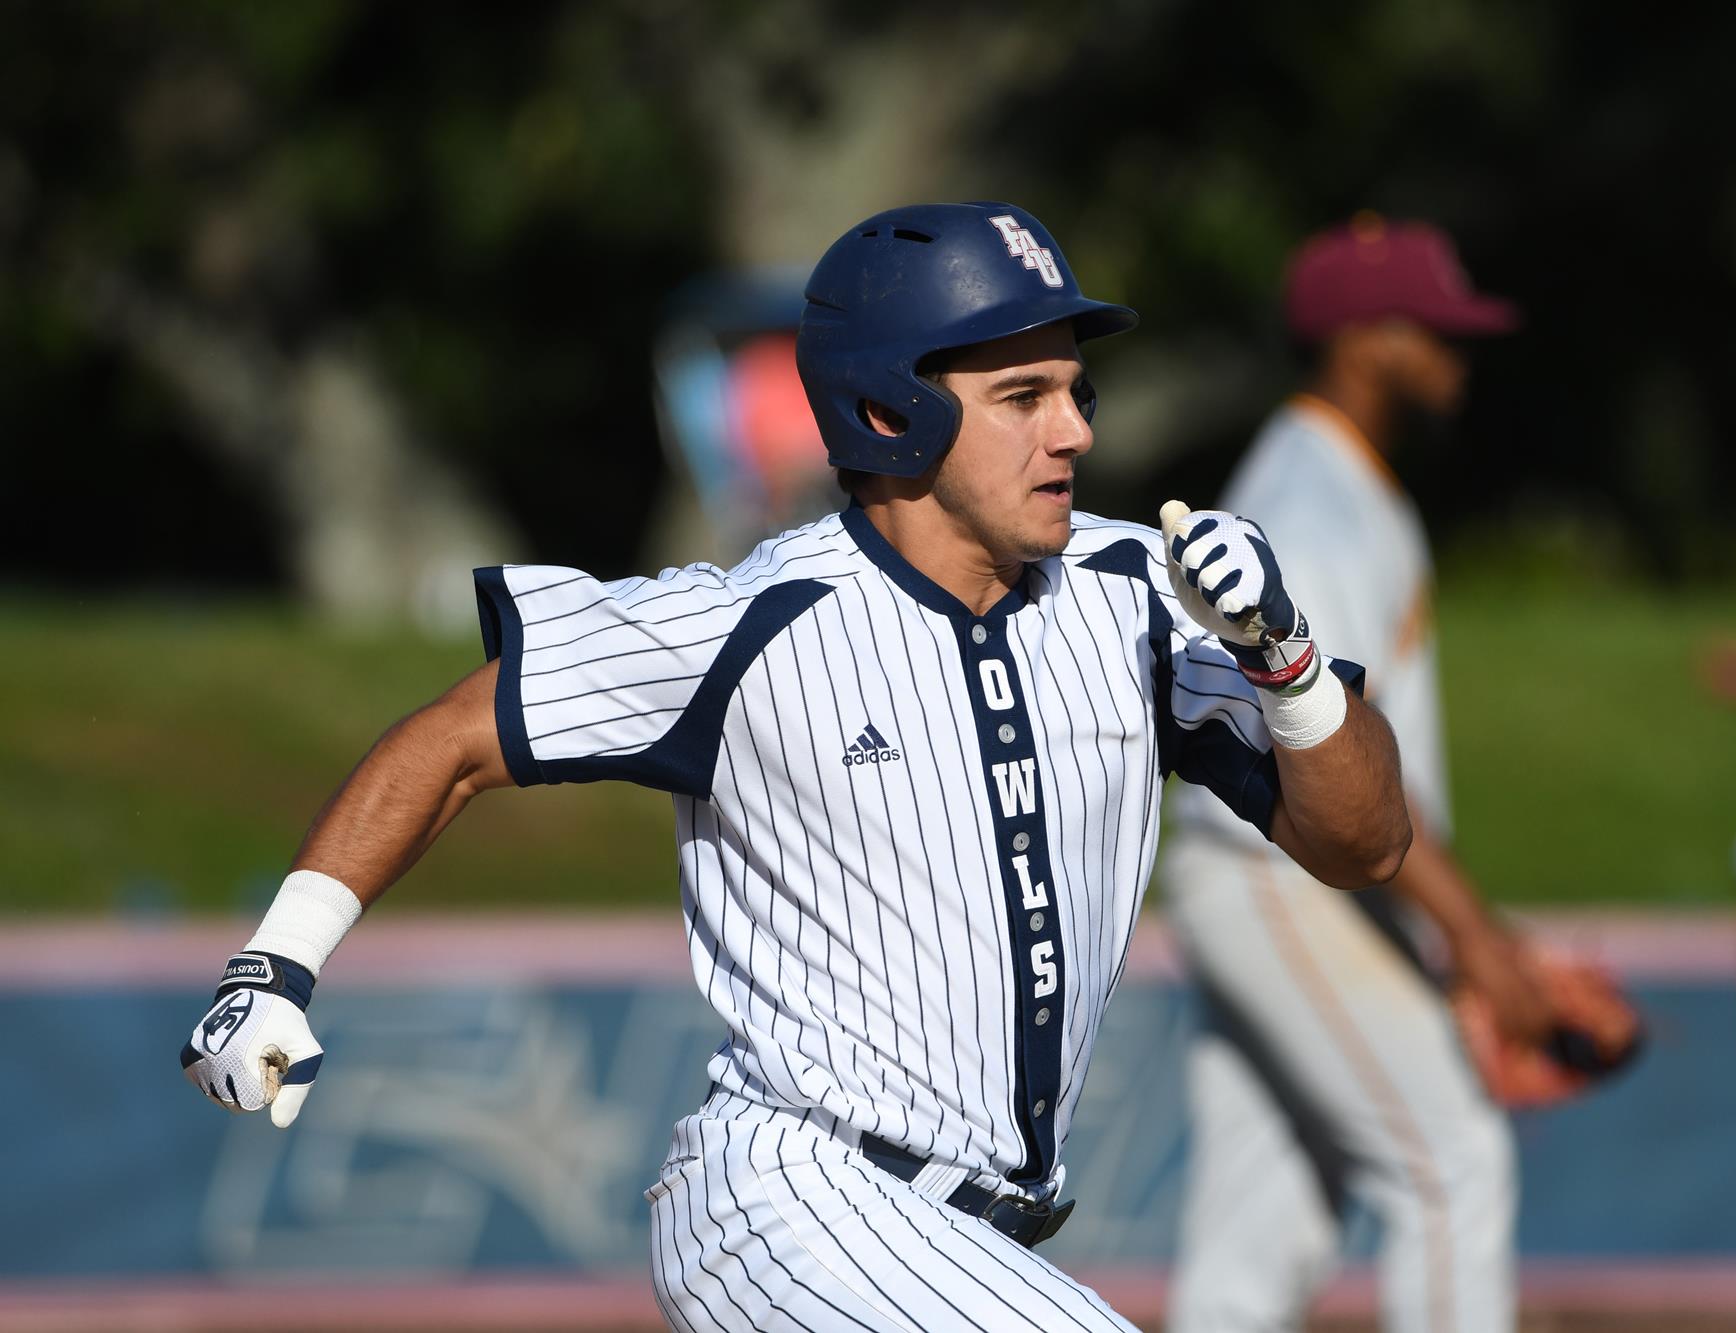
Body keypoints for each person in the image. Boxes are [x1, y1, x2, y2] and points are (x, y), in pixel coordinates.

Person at [177, 201, 1413, 1332]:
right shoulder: (751, 621)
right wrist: (272, 965)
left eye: (1075, 391)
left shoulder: (1139, 593)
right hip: (785, 1202)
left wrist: (1287, 659)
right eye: (1025, 394)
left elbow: (1364, 843)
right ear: (890, 412)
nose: (1076, 430)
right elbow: (452, 740)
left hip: (969, 1243)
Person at [1164, 215, 1551, 1333]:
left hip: (1289, 875)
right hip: (1275, 869)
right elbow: (1330, 751)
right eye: (1434, 329)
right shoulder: (1310, 504)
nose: (1455, 353)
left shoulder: (1342, 483)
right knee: (1453, 1165)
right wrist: (1475, 940)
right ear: (1367, 338)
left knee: (1263, 1219)